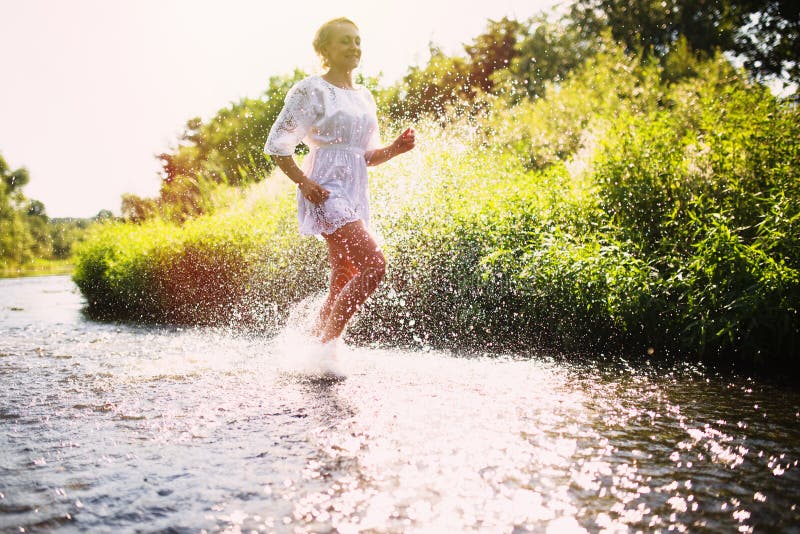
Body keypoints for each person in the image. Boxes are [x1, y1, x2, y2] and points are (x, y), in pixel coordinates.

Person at [264, 17, 415, 357]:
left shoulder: (364, 96)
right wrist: (304, 183)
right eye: (345, 41)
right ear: (325, 50)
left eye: (357, 41)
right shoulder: (311, 90)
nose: (354, 47)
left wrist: (395, 148)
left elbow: (367, 156)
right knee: (375, 265)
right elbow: (278, 145)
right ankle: (328, 349)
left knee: (345, 275)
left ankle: (311, 348)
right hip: (325, 189)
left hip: (355, 191)